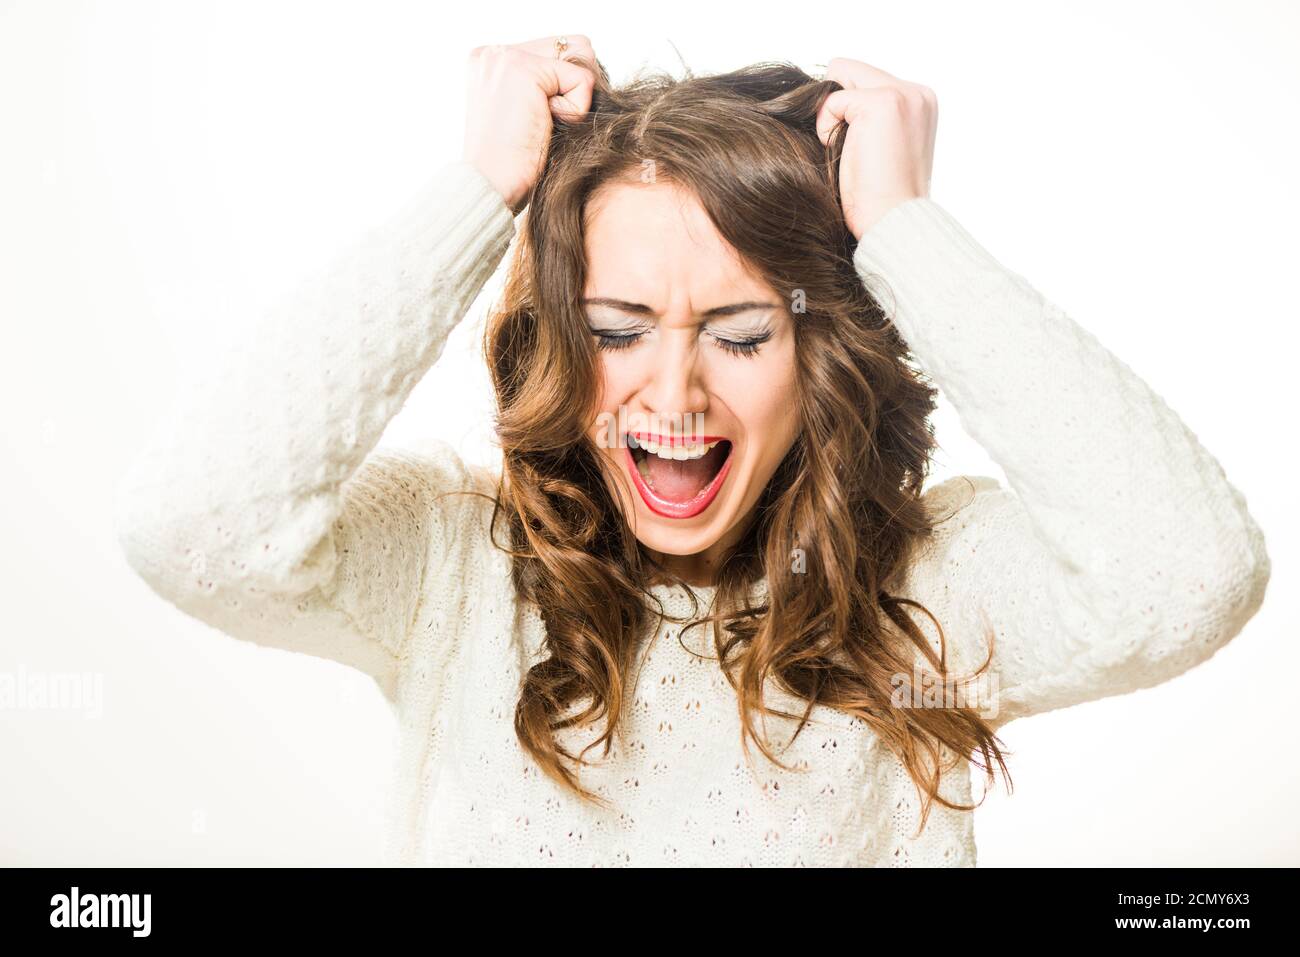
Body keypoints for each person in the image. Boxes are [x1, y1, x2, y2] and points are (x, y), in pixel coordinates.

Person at [113, 36, 1271, 867]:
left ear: (822, 349)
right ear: (561, 338)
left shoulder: (932, 587)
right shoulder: (450, 564)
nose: (673, 393)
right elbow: (193, 530)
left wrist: (906, 235)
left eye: (742, 332)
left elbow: (1187, 575)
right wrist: (476, 196)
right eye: (616, 332)